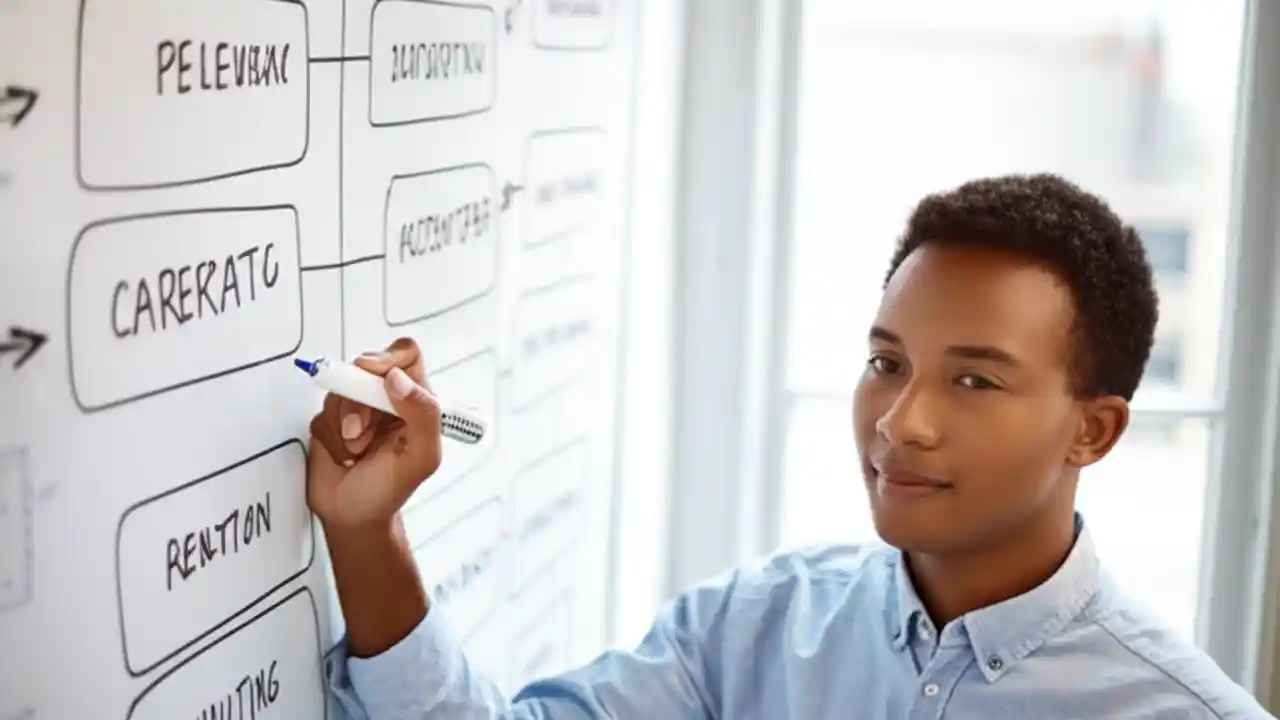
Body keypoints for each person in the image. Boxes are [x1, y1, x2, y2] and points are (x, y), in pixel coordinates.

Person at [312, 174, 1273, 719]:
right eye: (887, 363)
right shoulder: (754, 628)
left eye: (975, 381)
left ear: (1093, 431)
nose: (900, 422)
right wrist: (367, 532)